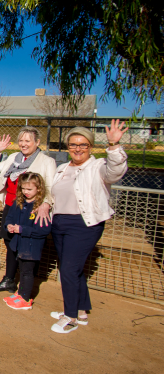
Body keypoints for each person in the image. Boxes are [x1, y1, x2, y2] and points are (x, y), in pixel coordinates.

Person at [49, 121, 128, 334]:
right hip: (60, 223)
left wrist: (114, 145)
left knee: (68, 269)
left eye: (83, 144)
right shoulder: (62, 168)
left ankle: (70, 316)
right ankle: (81, 311)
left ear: (90, 146)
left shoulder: (98, 167)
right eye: (73, 145)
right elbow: (53, 193)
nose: (77, 149)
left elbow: (116, 171)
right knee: (71, 268)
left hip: (84, 224)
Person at [0, 126, 56, 293]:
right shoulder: (13, 158)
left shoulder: (46, 161)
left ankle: (26, 282)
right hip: (11, 207)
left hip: (31, 209)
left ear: (37, 142)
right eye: (21, 140)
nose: (23, 144)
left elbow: (51, 186)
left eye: (27, 141)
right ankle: (9, 279)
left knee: (27, 242)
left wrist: (46, 204)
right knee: (10, 241)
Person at [2, 172, 52, 310]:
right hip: (19, 243)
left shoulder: (40, 207)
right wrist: (9, 226)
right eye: (23, 189)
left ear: (38, 189)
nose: (26, 192)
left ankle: (25, 297)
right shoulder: (18, 202)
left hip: (31, 246)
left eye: (29, 189)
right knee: (22, 269)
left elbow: (43, 231)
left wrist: (22, 229)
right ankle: (20, 293)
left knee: (27, 272)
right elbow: (9, 218)